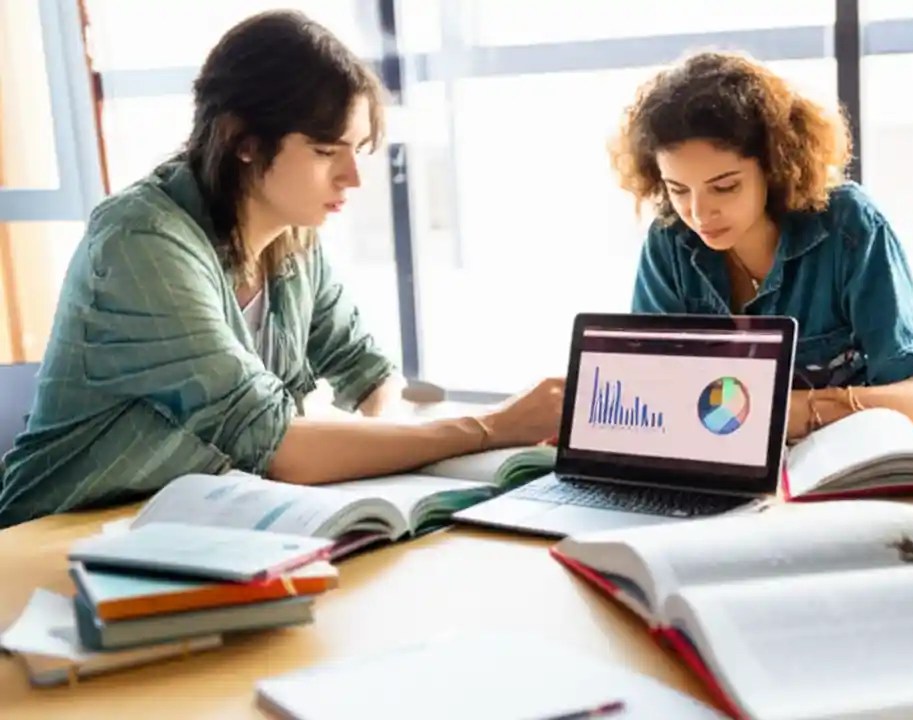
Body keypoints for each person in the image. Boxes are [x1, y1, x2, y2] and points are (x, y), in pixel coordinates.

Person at [0, 11, 563, 529]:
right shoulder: (141, 244)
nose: (352, 178)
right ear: (242, 140)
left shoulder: (292, 234)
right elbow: (280, 449)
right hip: (58, 537)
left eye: (356, 149)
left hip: (187, 527)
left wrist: (389, 447)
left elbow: (367, 371)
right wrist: (488, 427)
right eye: (324, 152)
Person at [611, 50, 913, 441]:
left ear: (774, 165)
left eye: (725, 187)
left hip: (838, 470)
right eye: (678, 189)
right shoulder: (669, 241)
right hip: (720, 473)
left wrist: (786, 412)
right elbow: (649, 400)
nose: (699, 213)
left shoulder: (848, 226)